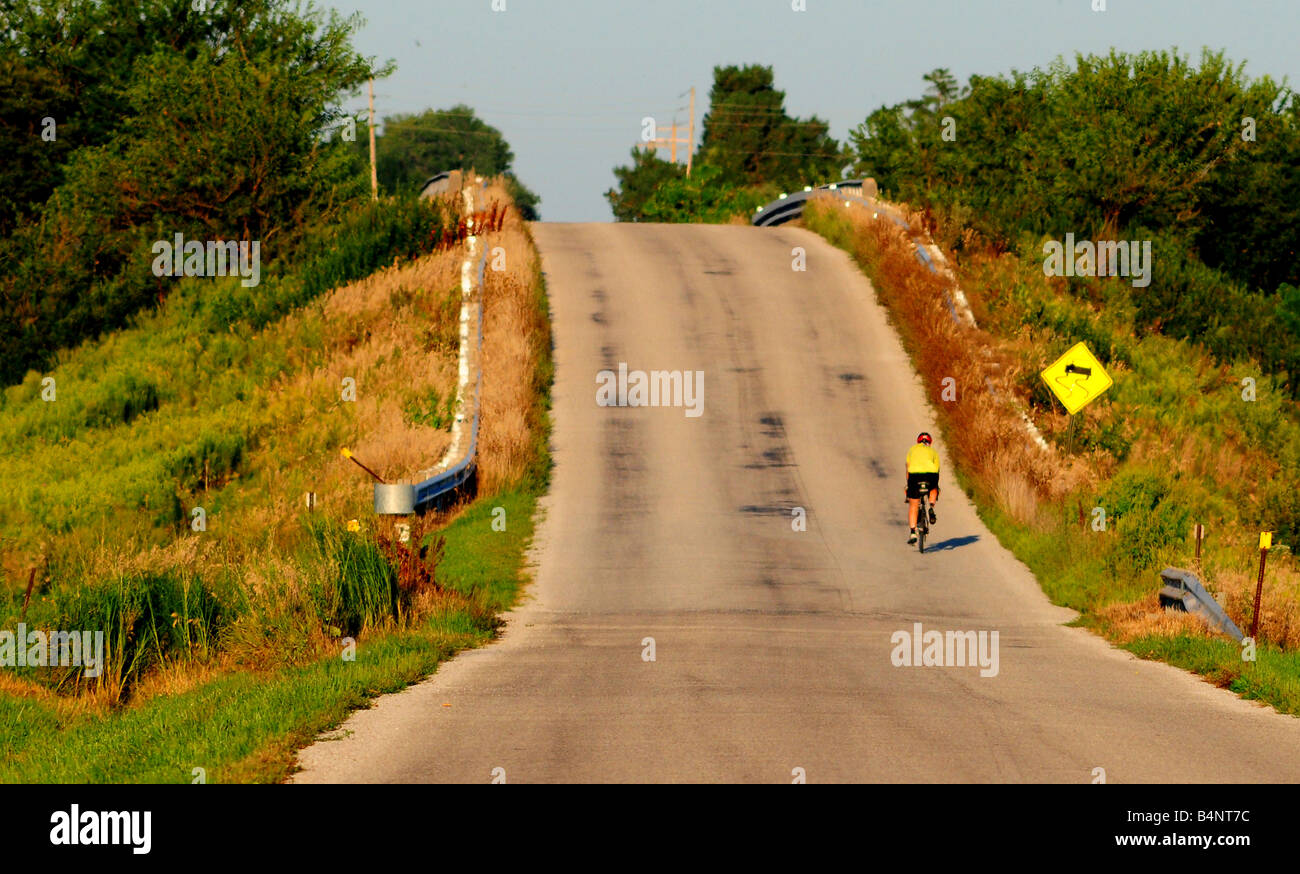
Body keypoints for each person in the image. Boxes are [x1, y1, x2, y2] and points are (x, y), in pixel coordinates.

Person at [904, 432, 940, 544]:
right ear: (930, 442)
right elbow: (937, 469)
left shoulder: (912, 450)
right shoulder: (933, 451)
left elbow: (908, 468)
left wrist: (908, 484)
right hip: (930, 475)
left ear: (918, 441)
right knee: (934, 488)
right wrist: (935, 485)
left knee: (913, 505)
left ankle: (913, 532)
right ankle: (932, 507)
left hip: (915, 476)